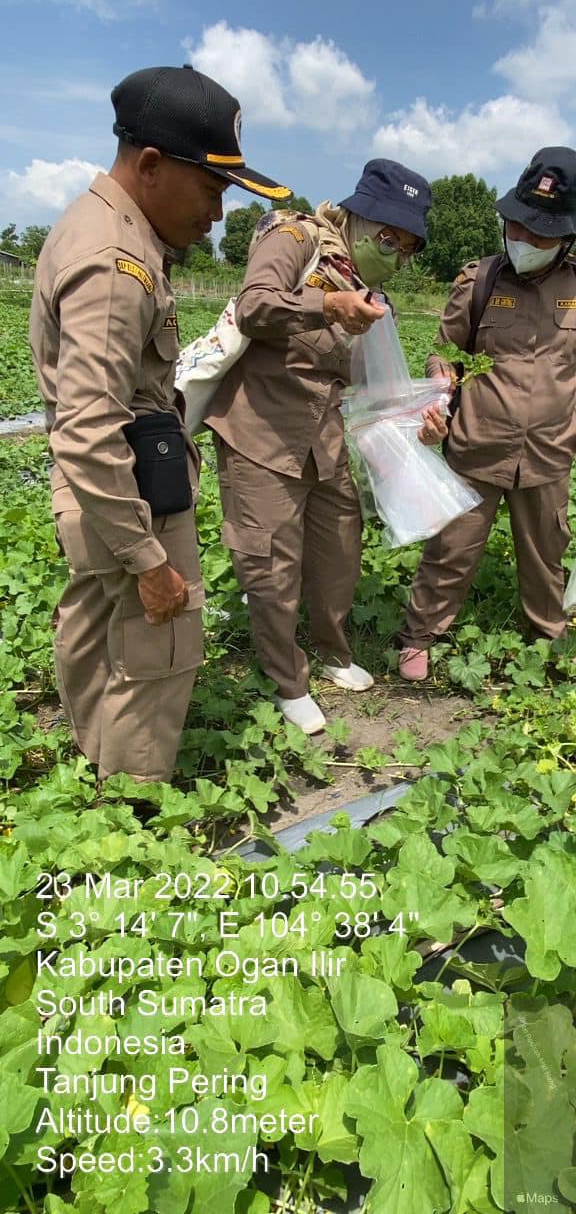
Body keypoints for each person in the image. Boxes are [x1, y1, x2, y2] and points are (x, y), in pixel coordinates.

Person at [30, 64, 291, 782]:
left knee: (100, 634)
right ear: (150, 166)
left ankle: (95, 763)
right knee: (156, 648)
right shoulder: (117, 263)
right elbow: (88, 430)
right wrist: (149, 561)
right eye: (211, 190)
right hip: (127, 496)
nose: (217, 215)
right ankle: (132, 807)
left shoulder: (108, 229)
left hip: (110, 493)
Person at [204, 159, 445, 734]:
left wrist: (420, 420)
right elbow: (254, 306)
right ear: (357, 217)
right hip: (260, 430)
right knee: (271, 563)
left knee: (339, 550)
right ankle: (287, 678)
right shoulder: (295, 237)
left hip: (325, 437)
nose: (395, 255)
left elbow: (370, 389)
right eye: (388, 239)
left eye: (407, 249)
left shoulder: (371, 294)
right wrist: (328, 306)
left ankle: (332, 649)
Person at [397, 146, 576, 681]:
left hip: (549, 451)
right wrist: (439, 381)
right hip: (477, 443)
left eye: (540, 234)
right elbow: (444, 351)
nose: (523, 240)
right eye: (516, 226)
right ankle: (419, 634)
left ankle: (550, 633)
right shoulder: (478, 281)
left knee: (546, 551)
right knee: (451, 547)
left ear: (566, 237)